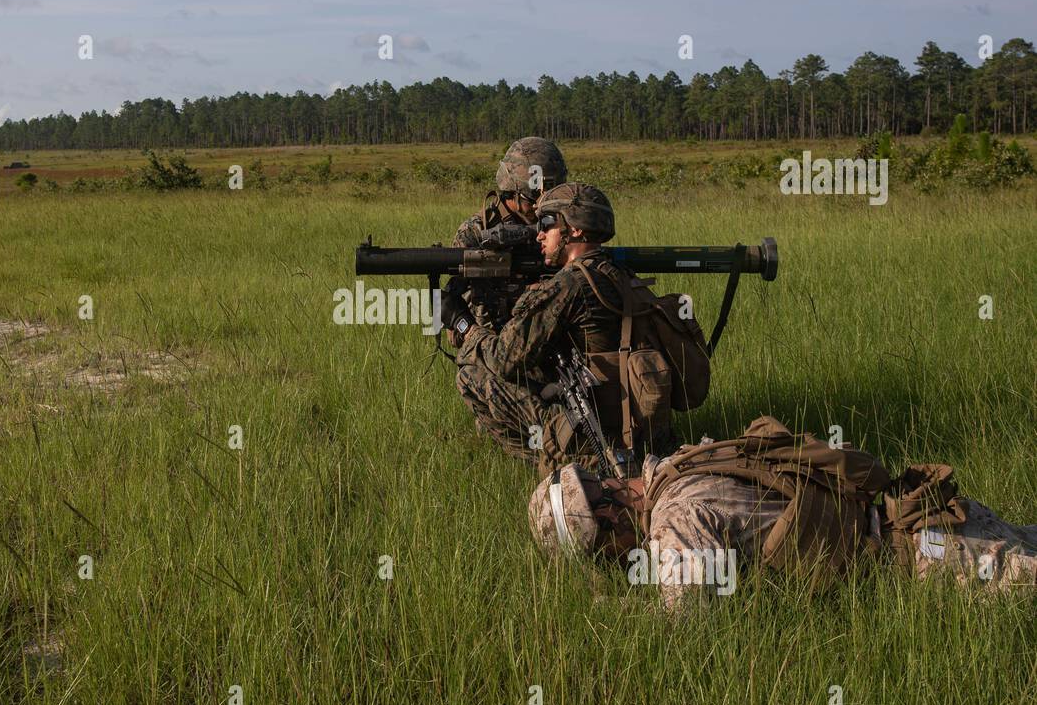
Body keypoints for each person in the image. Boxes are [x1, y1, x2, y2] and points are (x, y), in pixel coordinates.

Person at [528, 416, 1037, 607]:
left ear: (611, 514)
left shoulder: (676, 519)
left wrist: (617, 610)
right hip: (932, 515)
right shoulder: (681, 463)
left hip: (936, 558)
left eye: (603, 553)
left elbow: (685, 622)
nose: (617, 560)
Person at [441, 181, 628, 473]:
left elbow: (503, 359)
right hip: (626, 417)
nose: (538, 234)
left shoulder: (568, 285)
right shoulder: (617, 273)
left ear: (575, 230)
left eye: (548, 224)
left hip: (594, 429)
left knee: (470, 373)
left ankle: (554, 461)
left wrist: (462, 324)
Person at [450, 137, 568, 334]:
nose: (541, 206)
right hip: (491, 342)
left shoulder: (561, 225)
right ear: (512, 190)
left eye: (550, 197)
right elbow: (455, 298)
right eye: (533, 199)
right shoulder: (477, 231)